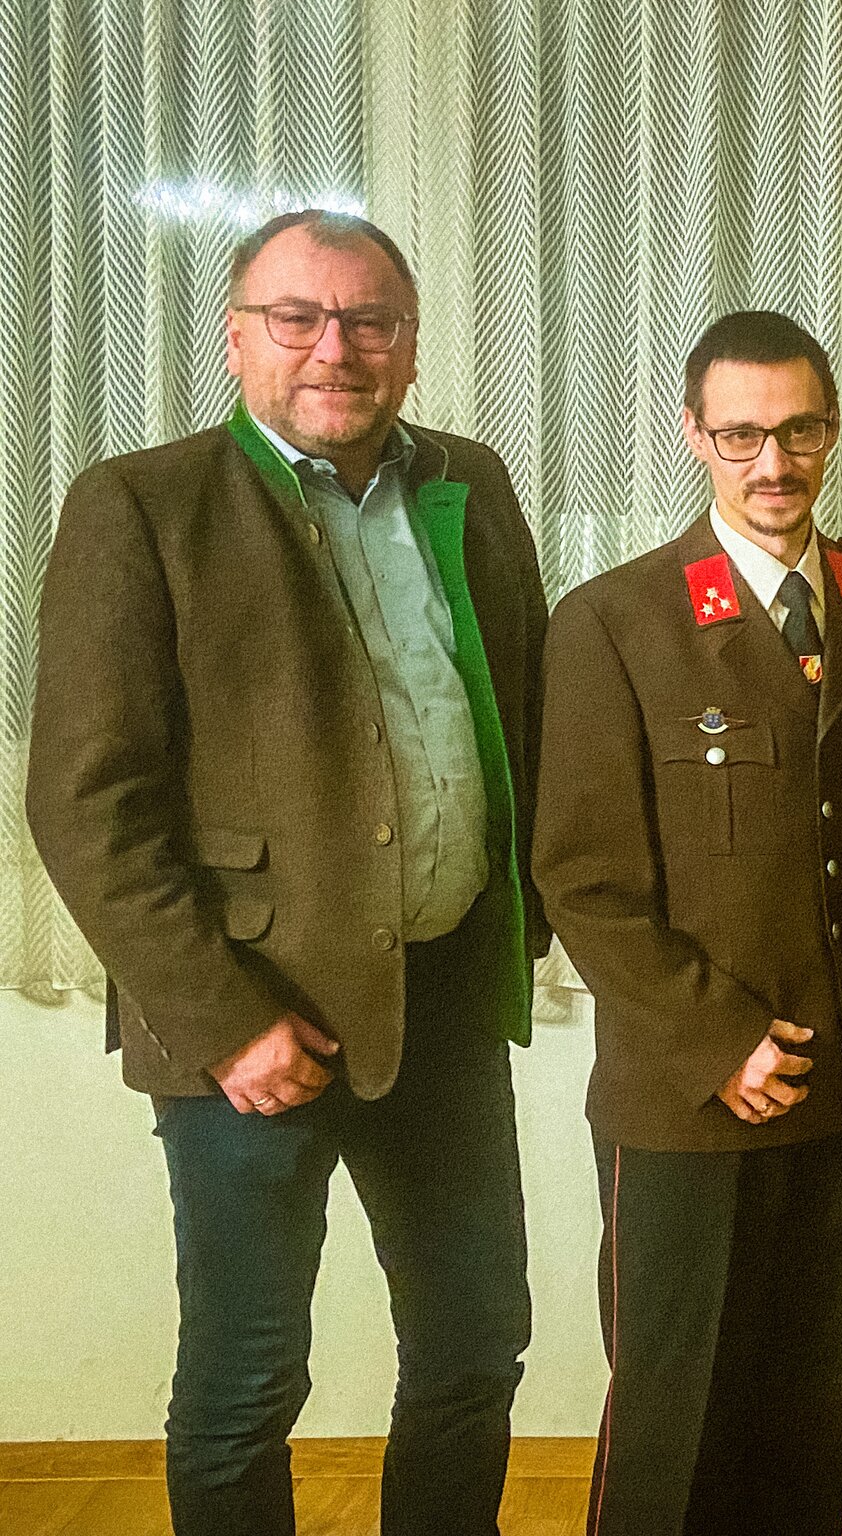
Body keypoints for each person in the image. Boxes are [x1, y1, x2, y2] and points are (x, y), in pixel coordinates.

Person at [26, 209, 547, 1535]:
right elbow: (87, 804)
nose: (335, 349)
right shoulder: (139, 504)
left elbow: (522, 714)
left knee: (479, 1351)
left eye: (368, 320)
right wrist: (224, 1023)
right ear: (236, 337)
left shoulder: (471, 486)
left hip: (439, 1006)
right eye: (298, 318)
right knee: (248, 1380)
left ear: (411, 346)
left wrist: (531, 923)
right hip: (250, 1023)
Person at [532, 310, 842, 1536]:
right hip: (690, 1099)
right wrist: (721, 1043)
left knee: (813, 1403)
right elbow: (582, 877)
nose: (775, 464)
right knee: (674, 1414)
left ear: (830, 431)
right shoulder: (615, 620)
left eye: (800, 430)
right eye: (742, 434)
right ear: (694, 437)